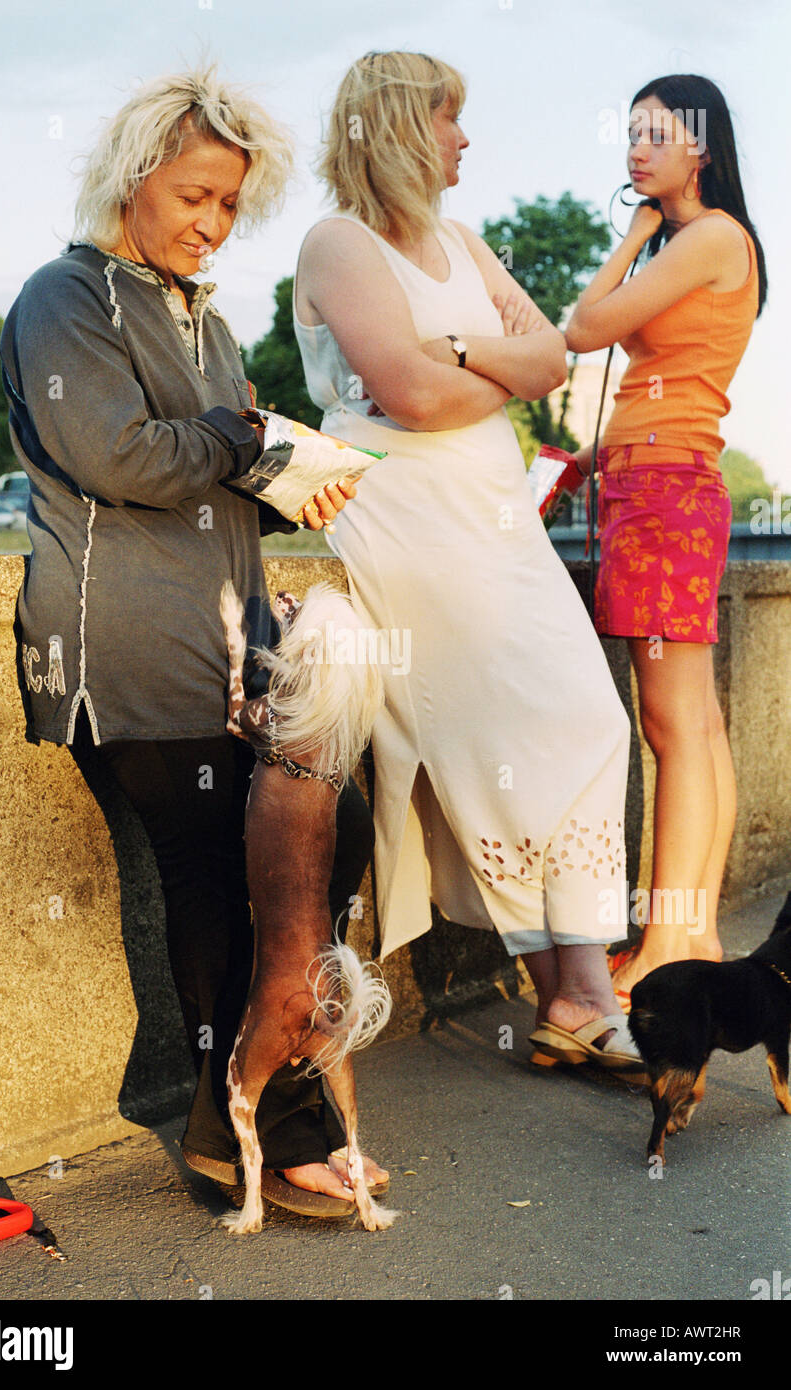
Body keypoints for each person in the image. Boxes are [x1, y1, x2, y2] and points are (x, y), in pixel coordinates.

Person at [0, 64, 385, 1215]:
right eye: (194, 196)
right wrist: (235, 435)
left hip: (217, 647)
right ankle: (248, 1128)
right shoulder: (62, 299)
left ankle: (259, 1099)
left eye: (229, 205)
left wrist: (285, 478)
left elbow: (207, 467)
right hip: (117, 649)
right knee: (219, 870)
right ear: (133, 177)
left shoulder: (199, 316)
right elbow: (121, 457)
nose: (213, 224)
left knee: (327, 837)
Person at [294, 50, 642, 1072]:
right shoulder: (337, 242)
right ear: (399, 128)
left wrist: (450, 356)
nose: (462, 140)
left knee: (586, 716)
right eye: (448, 120)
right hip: (411, 520)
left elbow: (554, 354)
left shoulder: (461, 240)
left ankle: (575, 995)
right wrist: (476, 360)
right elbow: (407, 396)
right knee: (504, 737)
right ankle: (573, 997)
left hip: (495, 514)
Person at [565, 75, 766, 1000]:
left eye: (656, 135)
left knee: (672, 725)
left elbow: (583, 327)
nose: (635, 149)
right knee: (698, 726)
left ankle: (668, 946)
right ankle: (697, 933)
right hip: (665, 483)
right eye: (630, 132)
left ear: (703, 150)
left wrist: (637, 235)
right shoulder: (701, 243)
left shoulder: (710, 237)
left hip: (663, 490)